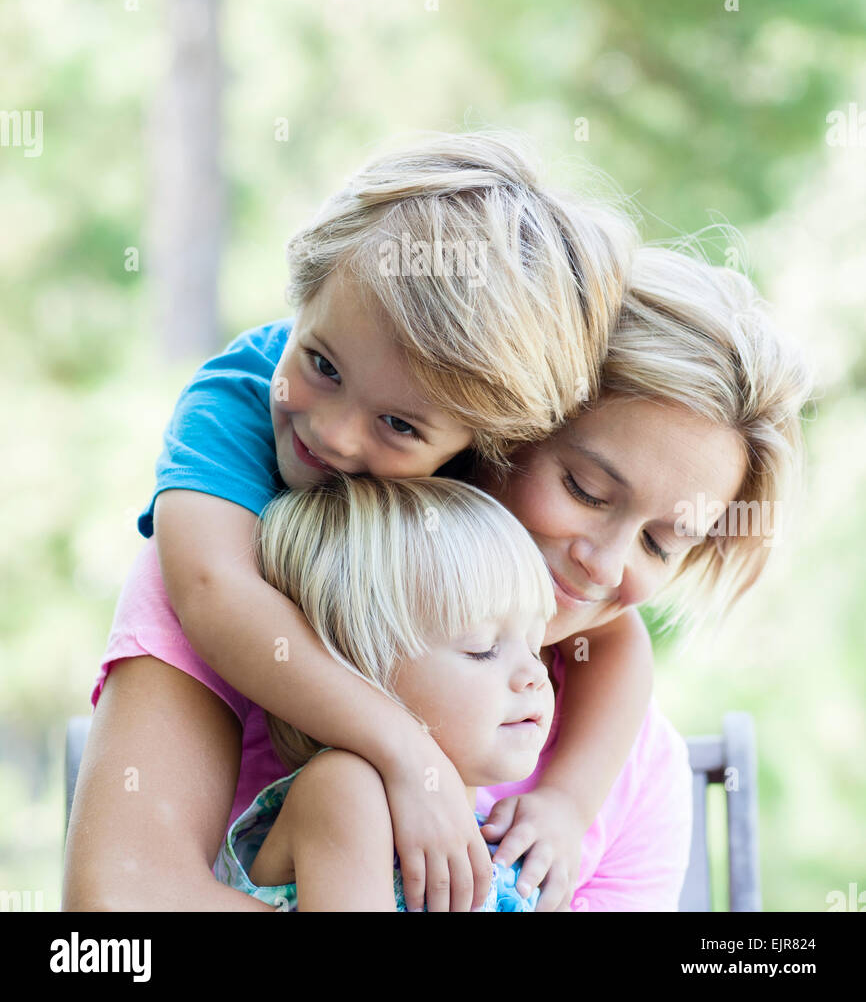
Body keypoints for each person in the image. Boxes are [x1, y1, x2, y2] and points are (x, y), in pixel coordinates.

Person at [62, 242, 811, 912]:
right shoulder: (246, 594)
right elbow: (117, 911)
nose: (607, 566)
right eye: (583, 489)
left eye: (660, 543)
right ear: (490, 420)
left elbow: (621, 641)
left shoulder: (627, 765)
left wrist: (571, 799)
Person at [131, 127, 655, 910]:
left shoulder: (473, 475)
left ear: (482, 447)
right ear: (303, 295)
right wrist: (409, 753)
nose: (334, 434)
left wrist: (569, 804)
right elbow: (212, 589)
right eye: (321, 364)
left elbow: (616, 638)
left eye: (401, 426)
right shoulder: (237, 400)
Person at [212, 473, 557, 911]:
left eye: (535, 646)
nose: (534, 674)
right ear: (357, 674)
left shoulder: (508, 840)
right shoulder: (342, 789)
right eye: (482, 648)